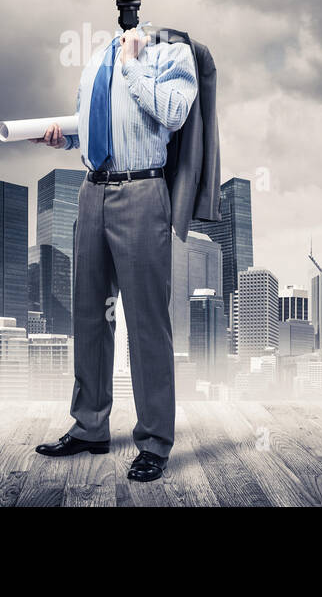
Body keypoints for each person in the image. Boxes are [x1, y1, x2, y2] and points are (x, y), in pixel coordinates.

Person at [31, 24, 197, 482]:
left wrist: (131, 63)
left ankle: (155, 442)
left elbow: (174, 113)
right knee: (89, 316)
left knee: (145, 321)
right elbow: (92, 128)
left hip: (142, 190)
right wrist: (61, 138)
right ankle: (90, 427)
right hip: (92, 192)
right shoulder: (92, 62)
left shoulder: (171, 55)